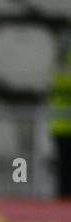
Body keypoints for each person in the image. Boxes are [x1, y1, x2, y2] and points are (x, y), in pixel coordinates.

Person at [50, 29, 71, 198]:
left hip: (61, 122)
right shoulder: (64, 49)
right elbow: (59, 80)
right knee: (65, 173)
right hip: (63, 123)